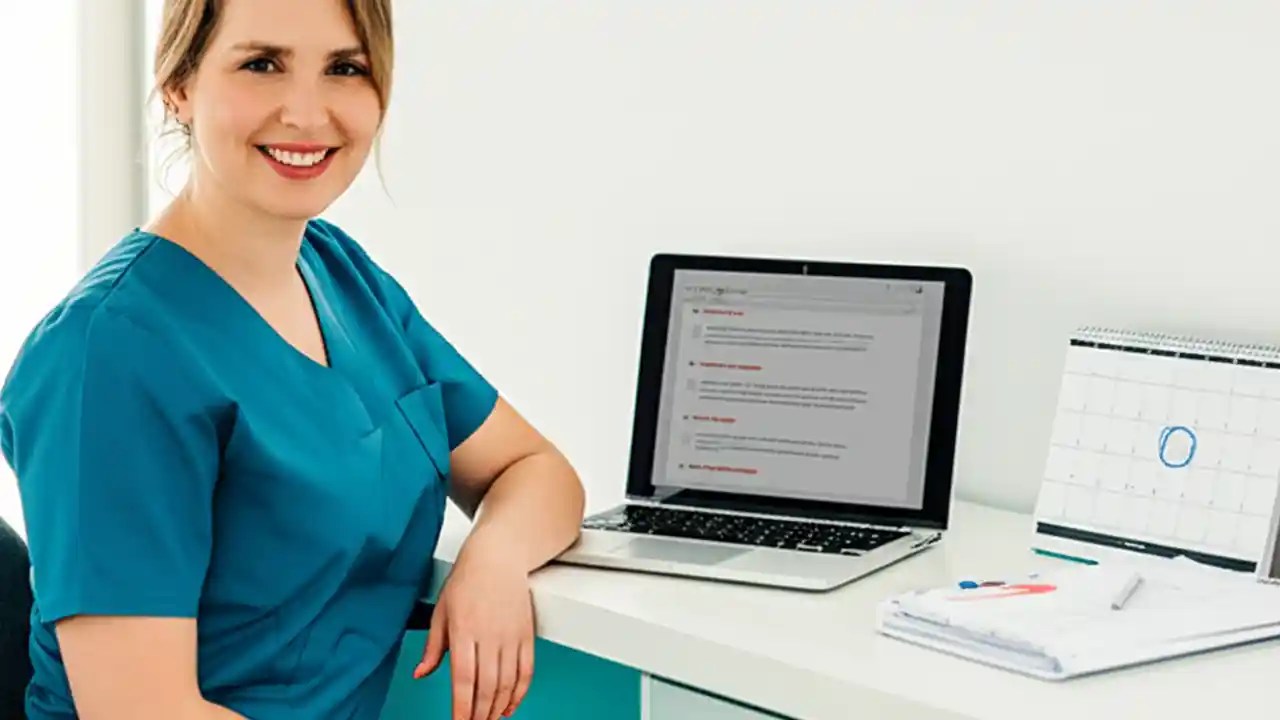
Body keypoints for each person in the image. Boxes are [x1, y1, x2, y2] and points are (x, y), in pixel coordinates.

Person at [0, 0, 586, 718]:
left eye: (345, 68)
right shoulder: (108, 354)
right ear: (179, 84)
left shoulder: (341, 276)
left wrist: (492, 558)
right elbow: (141, 710)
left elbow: (537, 472)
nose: (308, 115)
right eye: (262, 64)